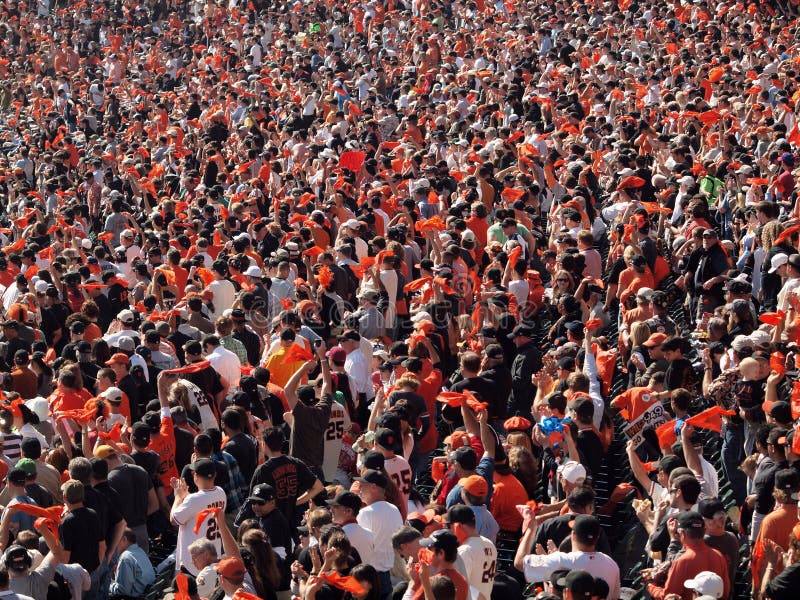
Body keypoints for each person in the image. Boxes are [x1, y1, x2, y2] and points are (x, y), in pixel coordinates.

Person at [170, 457, 226, 576]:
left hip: (193, 563)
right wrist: (185, 496)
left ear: (195, 476)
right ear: (214, 475)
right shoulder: (221, 492)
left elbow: (174, 520)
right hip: (213, 557)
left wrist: (178, 497)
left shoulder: (193, 499)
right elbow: (199, 505)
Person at [355, 469, 404, 600]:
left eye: (362, 485)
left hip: (369, 577)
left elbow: (360, 545)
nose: (359, 489)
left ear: (373, 487)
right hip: (388, 575)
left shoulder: (366, 513)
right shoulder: (394, 509)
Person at [109, 528, 155, 599]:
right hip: (146, 594)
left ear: (124, 539)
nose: (113, 544)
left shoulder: (125, 557)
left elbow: (122, 591)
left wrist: (107, 585)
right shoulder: (140, 551)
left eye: (115, 539)